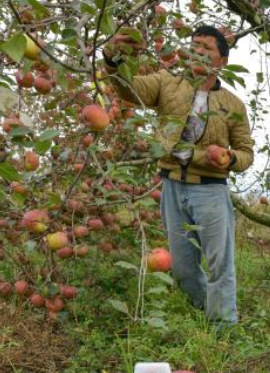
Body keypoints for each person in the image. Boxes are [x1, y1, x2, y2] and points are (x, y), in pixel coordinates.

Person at [103, 25, 254, 325]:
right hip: (172, 185)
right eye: (194, 44)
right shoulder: (167, 82)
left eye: (207, 47)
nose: (198, 51)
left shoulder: (232, 105)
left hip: (210, 189)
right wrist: (113, 58)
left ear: (223, 60)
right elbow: (128, 88)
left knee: (219, 263)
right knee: (183, 267)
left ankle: (224, 326)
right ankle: (202, 314)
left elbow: (246, 153)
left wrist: (230, 158)